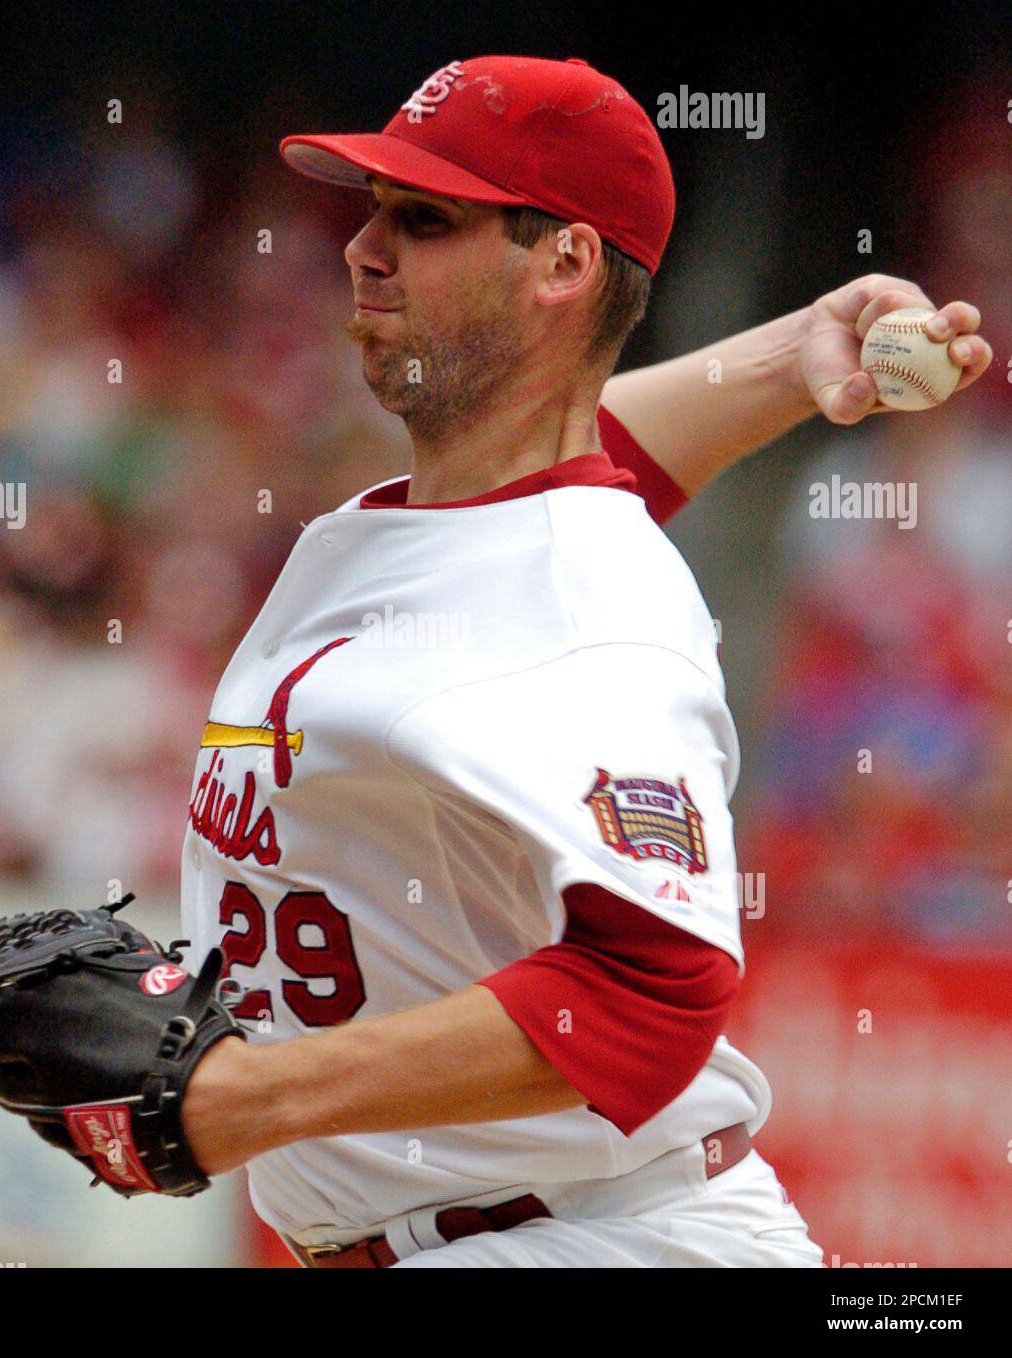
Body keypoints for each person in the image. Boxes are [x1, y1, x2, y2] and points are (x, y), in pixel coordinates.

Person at [178, 55, 990, 1267]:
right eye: (372, 207)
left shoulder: (593, 605)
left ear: (564, 264)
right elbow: (561, 472)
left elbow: (652, 993)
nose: (362, 247)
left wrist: (245, 1097)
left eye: (427, 217)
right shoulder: (456, 519)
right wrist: (782, 361)